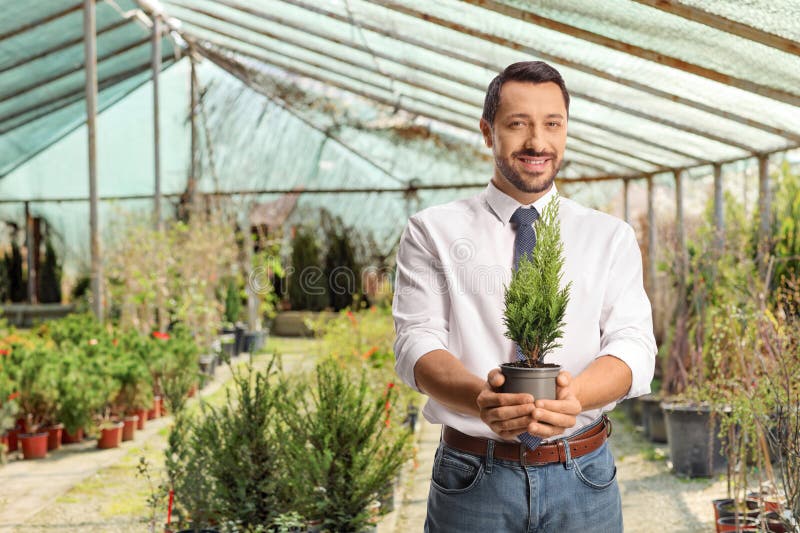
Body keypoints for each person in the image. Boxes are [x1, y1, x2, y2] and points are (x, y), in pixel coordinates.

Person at [392, 61, 656, 532]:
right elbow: (416, 342)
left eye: (552, 124)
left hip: (583, 475)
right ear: (487, 132)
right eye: (518, 124)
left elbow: (633, 345)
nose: (538, 142)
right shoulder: (433, 231)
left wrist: (573, 398)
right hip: (473, 477)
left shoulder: (608, 236)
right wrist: (481, 399)